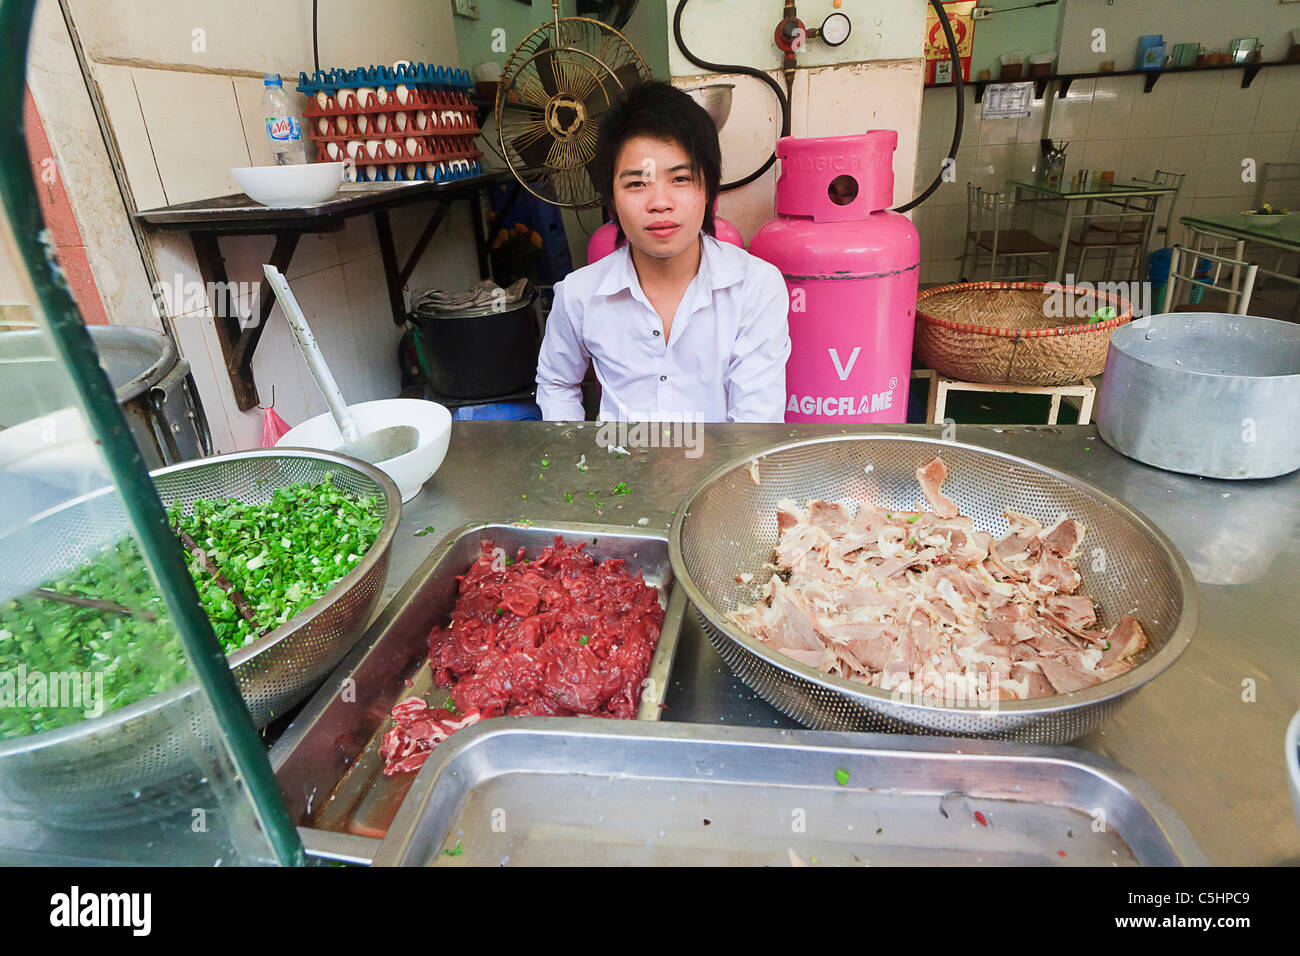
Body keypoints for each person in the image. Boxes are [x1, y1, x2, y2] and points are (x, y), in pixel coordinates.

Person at [535, 80, 791, 423]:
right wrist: (579, 462)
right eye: (637, 184)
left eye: (680, 179)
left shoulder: (756, 287)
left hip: (721, 472)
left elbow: (756, 421)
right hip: (618, 471)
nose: (659, 203)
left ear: (708, 189)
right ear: (611, 198)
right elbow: (556, 382)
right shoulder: (579, 295)